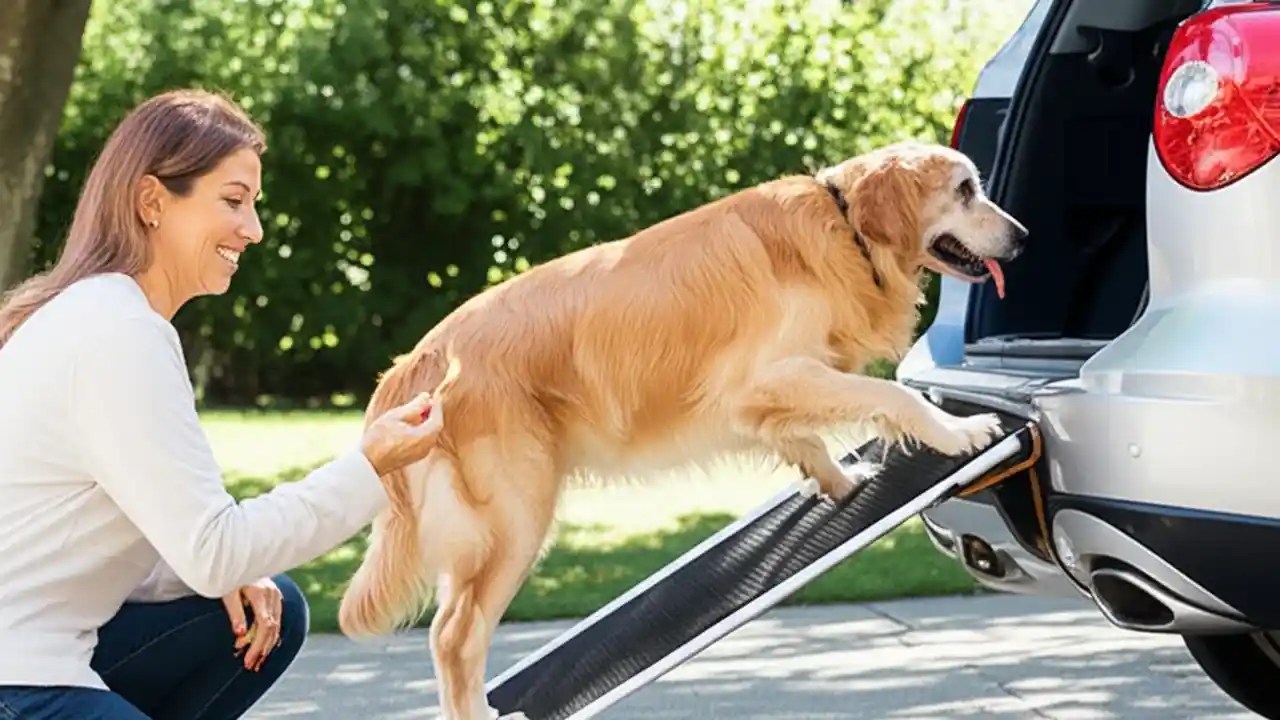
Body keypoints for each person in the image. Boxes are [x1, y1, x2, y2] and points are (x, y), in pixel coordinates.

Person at [0, 88, 443, 719]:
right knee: (232, 582)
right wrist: (370, 466)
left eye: (253, 205)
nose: (254, 229)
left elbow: (158, 544)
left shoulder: (95, 314)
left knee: (269, 608)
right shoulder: (119, 332)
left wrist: (221, 571)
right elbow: (216, 551)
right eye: (233, 201)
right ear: (153, 201)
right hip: (17, 681)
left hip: (38, 657)